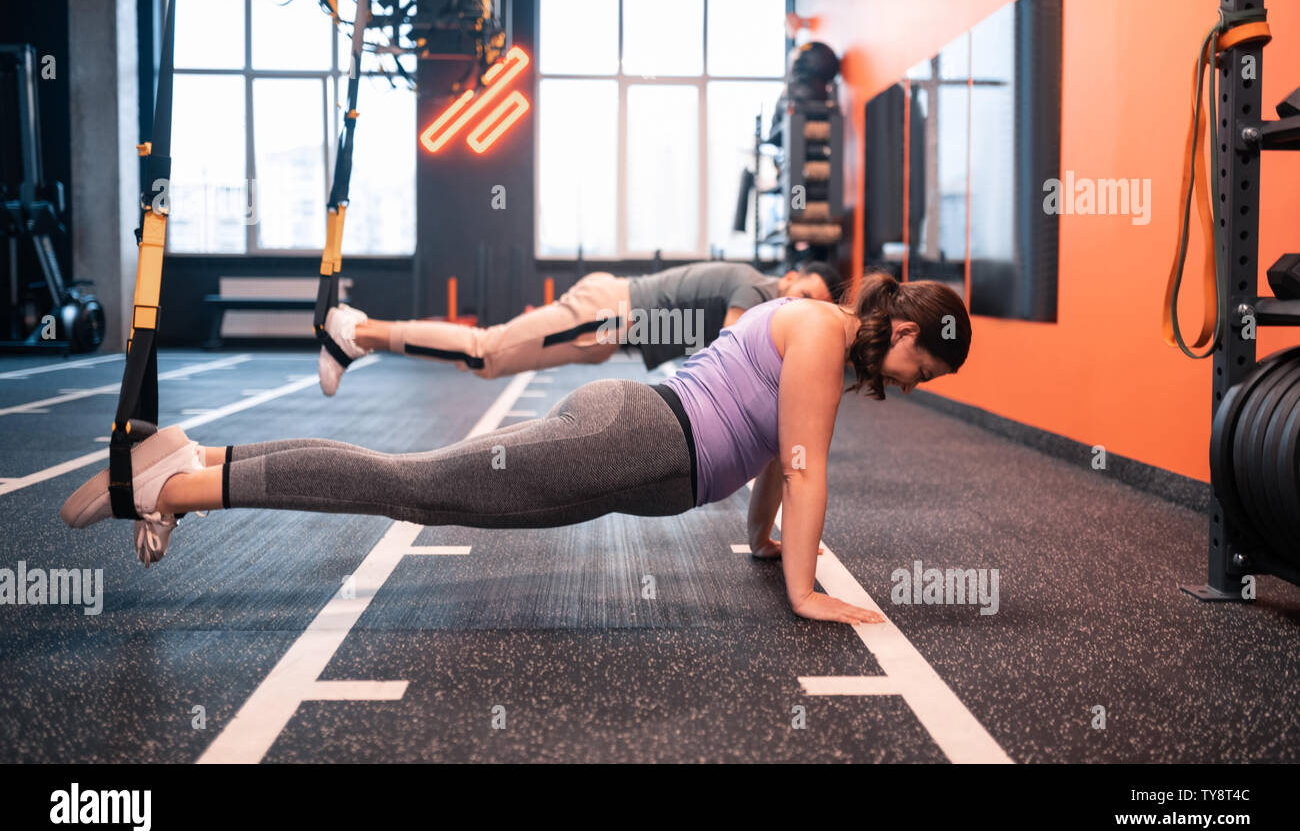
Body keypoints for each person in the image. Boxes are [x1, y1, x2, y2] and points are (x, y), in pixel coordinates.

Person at [62, 271, 970, 625]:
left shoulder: (831, 351)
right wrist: (805, 592)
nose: (914, 383)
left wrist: (768, 544)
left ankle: (194, 460)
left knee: (422, 491)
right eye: (921, 366)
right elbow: (808, 468)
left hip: (639, 454)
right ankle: (176, 485)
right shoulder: (819, 333)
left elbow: (779, 461)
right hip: (636, 440)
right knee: (408, 487)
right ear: (897, 328)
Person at [316, 260, 841, 394]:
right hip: (608, 316)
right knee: (486, 352)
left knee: (484, 360)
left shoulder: (762, 293)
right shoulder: (759, 291)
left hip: (610, 333)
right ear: (791, 277)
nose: (804, 306)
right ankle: (357, 331)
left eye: (818, 305)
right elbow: (732, 355)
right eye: (807, 293)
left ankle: (354, 342)